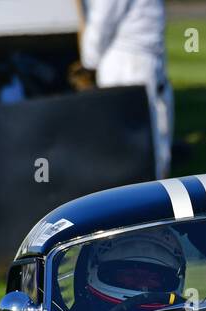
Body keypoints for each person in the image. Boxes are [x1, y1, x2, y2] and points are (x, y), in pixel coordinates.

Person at [79, 0, 173, 179]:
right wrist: (89, 60)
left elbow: (102, 20)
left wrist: (88, 61)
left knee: (148, 144)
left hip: (136, 60)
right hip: (134, 60)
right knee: (144, 144)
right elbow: (103, 18)